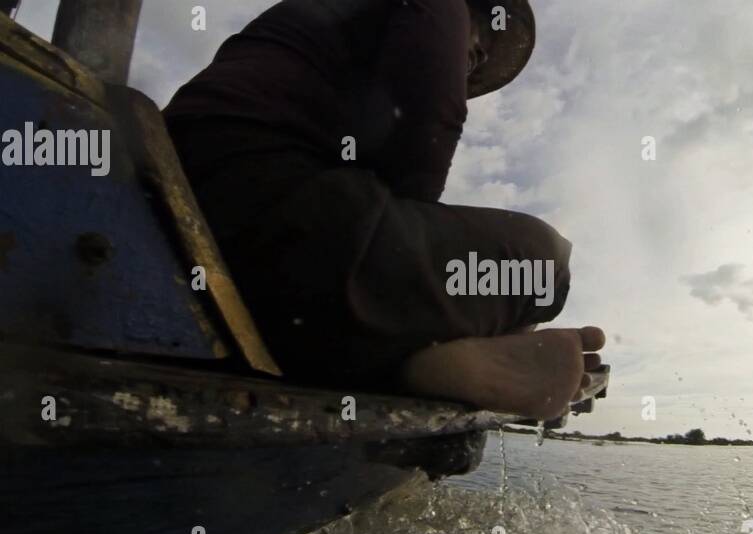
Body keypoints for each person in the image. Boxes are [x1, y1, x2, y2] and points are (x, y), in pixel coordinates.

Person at [164, 0, 604, 420]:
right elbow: (425, 115)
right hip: (275, 236)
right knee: (544, 263)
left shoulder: (309, 41)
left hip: (207, 210)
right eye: (484, 32)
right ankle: (423, 362)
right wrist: (424, 285)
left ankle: (423, 354)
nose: (479, 53)